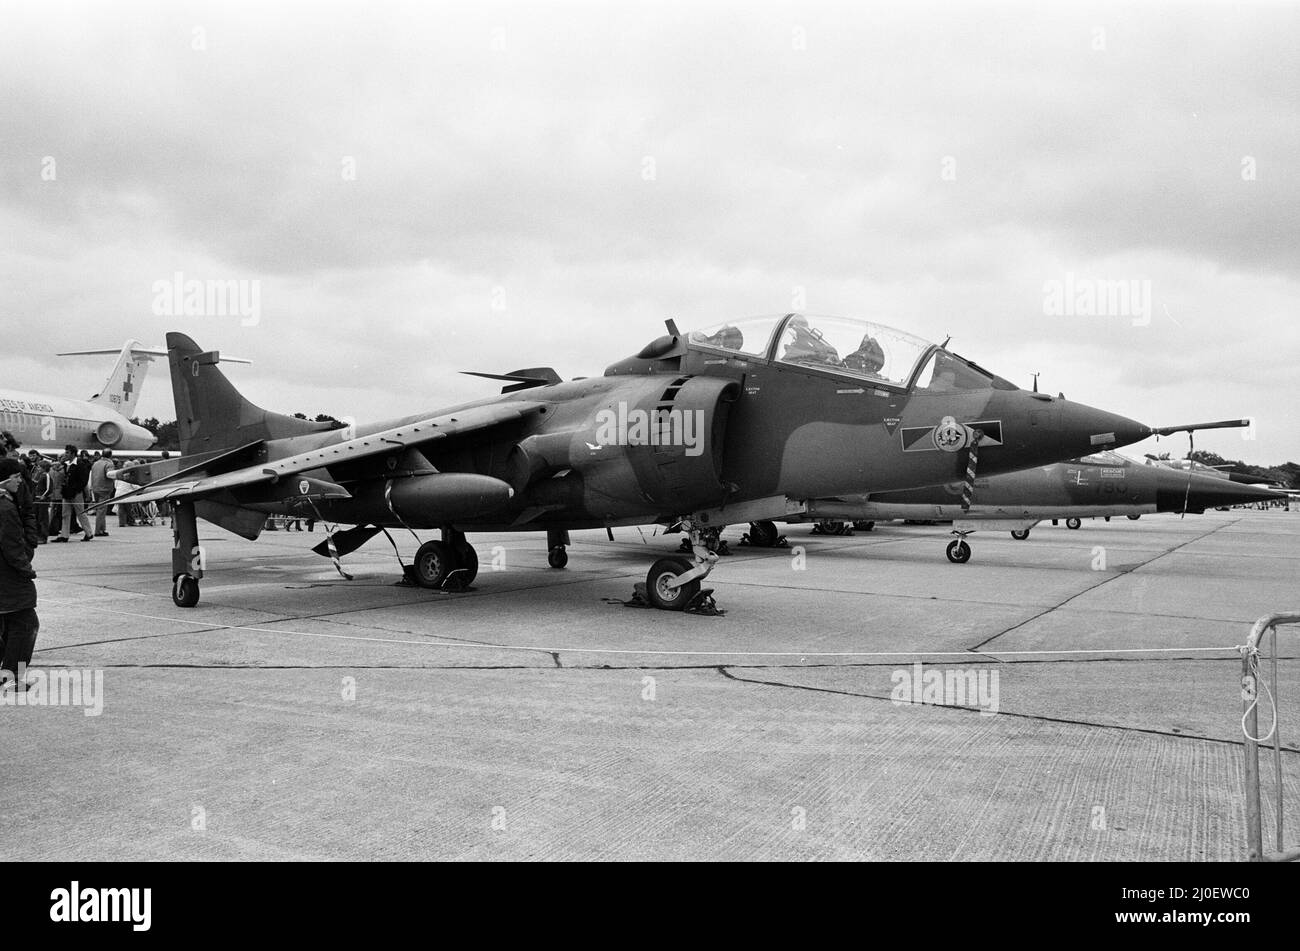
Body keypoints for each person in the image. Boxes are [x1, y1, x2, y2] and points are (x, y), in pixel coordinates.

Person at [0, 458, 39, 691]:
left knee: (6, 625)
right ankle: (12, 677)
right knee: (26, 624)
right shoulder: (5, 507)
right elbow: (12, 546)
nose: (20, 481)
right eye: (16, 477)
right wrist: (27, 570)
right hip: (9, 576)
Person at [57, 449, 93, 542]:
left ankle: (88, 533)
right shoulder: (65, 464)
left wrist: (77, 490)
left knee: (80, 513)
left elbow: (83, 480)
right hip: (66, 492)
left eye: (67, 453)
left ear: (73, 454)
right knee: (65, 514)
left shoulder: (80, 464)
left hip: (76, 493)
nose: (66, 454)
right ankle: (64, 535)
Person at [90, 449, 116, 537]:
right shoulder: (109, 464)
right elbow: (109, 474)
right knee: (101, 511)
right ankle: (98, 530)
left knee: (100, 510)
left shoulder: (95, 463)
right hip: (104, 489)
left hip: (95, 488)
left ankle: (102, 529)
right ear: (110, 455)